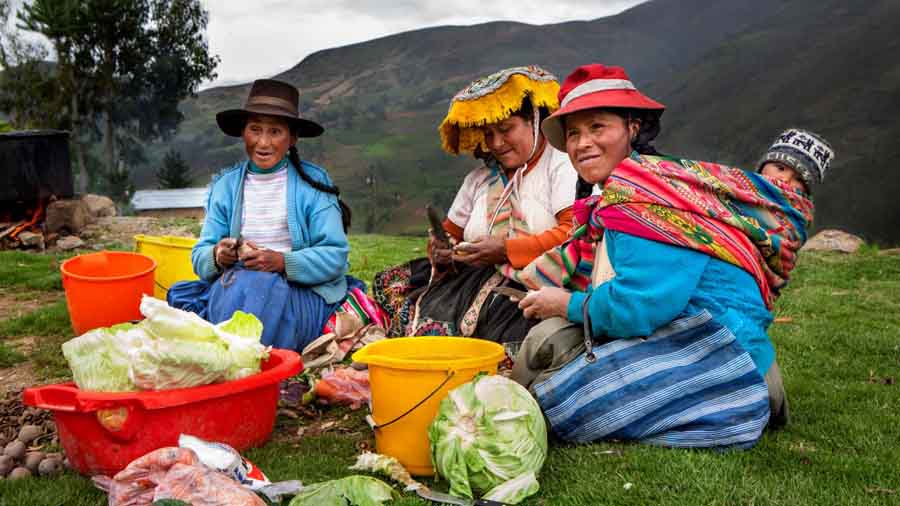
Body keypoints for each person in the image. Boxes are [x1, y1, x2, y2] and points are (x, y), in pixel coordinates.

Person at [510, 64, 815, 449]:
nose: (582, 143)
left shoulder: (644, 197)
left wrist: (565, 303)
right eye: (573, 133)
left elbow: (639, 308)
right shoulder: (633, 189)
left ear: (633, 128)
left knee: (562, 405)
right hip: (679, 330)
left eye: (597, 127)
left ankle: (734, 398)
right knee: (547, 341)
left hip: (718, 345)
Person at [167, 79, 384, 352]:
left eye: (275, 131)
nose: (263, 142)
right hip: (235, 285)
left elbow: (335, 257)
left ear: (292, 138)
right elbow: (200, 257)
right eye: (255, 129)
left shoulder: (314, 184)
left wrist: (283, 262)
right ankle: (241, 346)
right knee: (182, 292)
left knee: (256, 289)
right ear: (243, 132)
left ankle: (235, 351)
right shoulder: (226, 187)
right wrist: (218, 256)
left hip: (298, 293)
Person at [373, 65, 579, 342]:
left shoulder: (560, 164)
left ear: (535, 120)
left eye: (506, 129)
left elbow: (572, 234)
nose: (496, 143)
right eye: (488, 133)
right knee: (395, 285)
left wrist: (506, 250)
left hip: (532, 284)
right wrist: (442, 251)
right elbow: (449, 234)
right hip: (468, 280)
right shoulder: (479, 179)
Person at [757, 127, 834, 195]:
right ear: (762, 166)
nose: (785, 179)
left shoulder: (797, 211)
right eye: (781, 168)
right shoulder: (745, 193)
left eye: (799, 179)